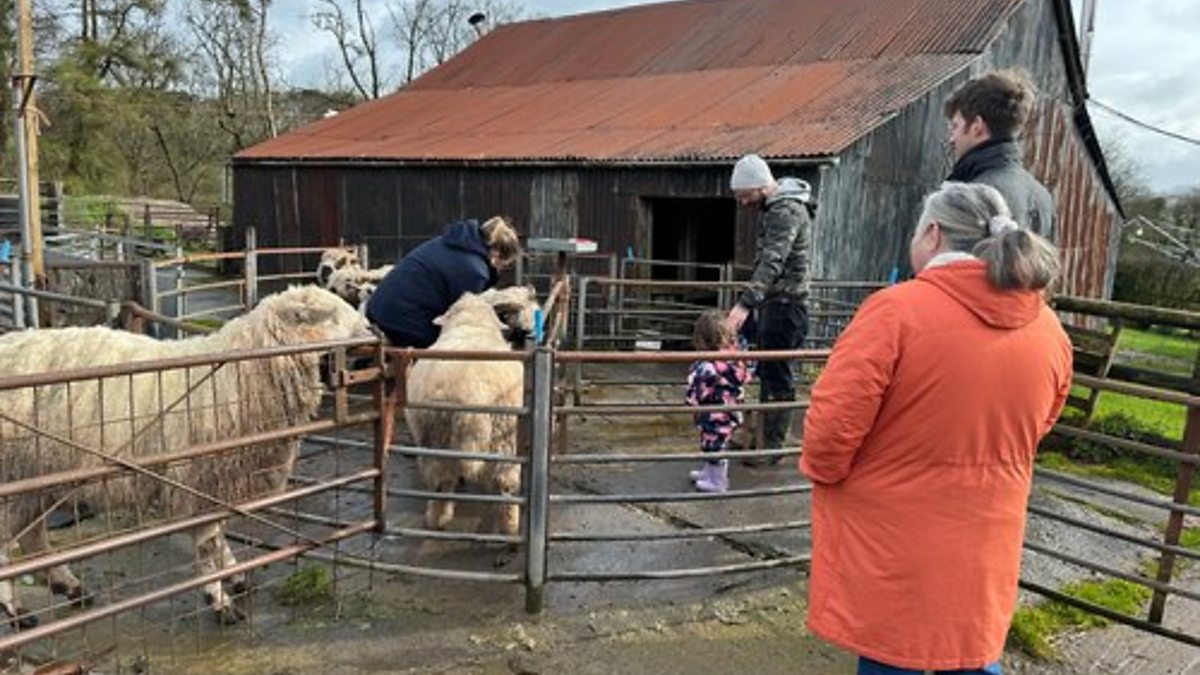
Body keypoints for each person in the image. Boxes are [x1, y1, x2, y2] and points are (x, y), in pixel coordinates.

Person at [799, 182, 1072, 675]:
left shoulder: (895, 311)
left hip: (894, 534)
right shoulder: (1048, 328)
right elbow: (1041, 423)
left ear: (933, 233)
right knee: (973, 650)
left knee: (892, 654)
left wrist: (828, 473)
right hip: (990, 529)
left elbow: (831, 429)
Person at [725, 153, 812, 466]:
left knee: (777, 375)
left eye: (744, 195)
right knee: (769, 371)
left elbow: (773, 260)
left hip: (786, 305)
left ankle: (771, 448)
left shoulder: (785, 211)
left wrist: (744, 305)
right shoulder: (776, 208)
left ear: (758, 186)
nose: (742, 202)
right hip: (777, 303)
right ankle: (762, 438)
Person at [366, 216, 521, 347]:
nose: (501, 269)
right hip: (401, 320)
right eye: (504, 264)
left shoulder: (451, 242)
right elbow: (460, 316)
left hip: (379, 307)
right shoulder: (475, 271)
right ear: (496, 253)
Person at [945, 69, 1056, 240]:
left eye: (955, 126)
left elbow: (953, 264)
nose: (952, 139)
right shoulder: (1042, 197)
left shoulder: (974, 195)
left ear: (977, 126)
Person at [685, 309, 752, 493]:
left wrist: (691, 401)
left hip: (715, 412)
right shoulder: (732, 360)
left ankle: (719, 482)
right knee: (711, 444)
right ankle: (709, 473)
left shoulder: (707, 365)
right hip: (726, 411)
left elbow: (700, 389)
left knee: (715, 446)